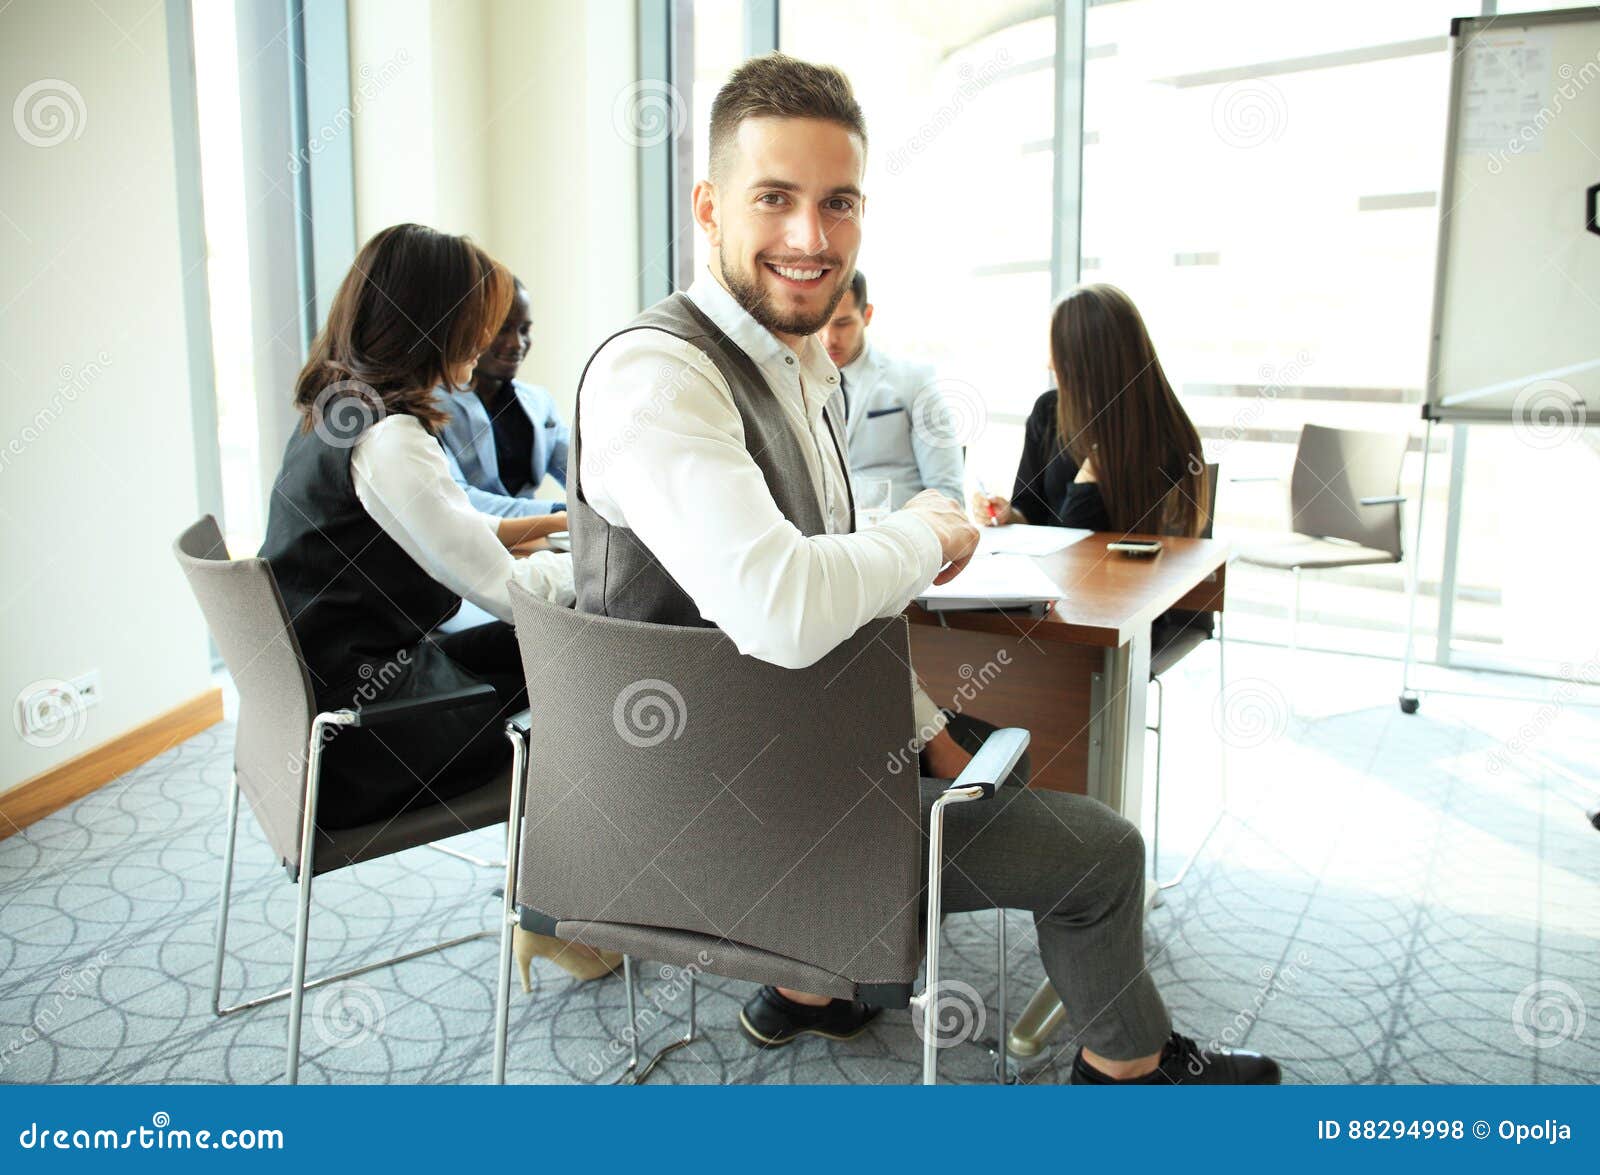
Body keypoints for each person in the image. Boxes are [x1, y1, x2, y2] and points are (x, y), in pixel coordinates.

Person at [569, 54, 1277, 1083]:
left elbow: (826, 612)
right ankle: (1128, 1070)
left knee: (994, 753)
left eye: (839, 202)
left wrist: (927, 732)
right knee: (1104, 850)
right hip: (737, 831)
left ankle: (825, 985)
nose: (812, 238)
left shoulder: (797, 370)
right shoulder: (657, 375)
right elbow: (781, 608)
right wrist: (929, 533)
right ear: (709, 207)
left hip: (767, 776)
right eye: (775, 198)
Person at [257, 223, 615, 982]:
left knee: (553, 656)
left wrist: (556, 526)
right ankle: (557, 907)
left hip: (330, 710)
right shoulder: (389, 437)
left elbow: (443, 527)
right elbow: (510, 592)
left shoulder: (337, 410)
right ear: (437, 320)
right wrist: (609, 561)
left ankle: (553, 900)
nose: (488, 337)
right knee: (587, 657)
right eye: (477, 319)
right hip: (369, 741)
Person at [971, 283, 1215, 651]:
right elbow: (1032, 509)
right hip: (1056, 610)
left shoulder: (1165, 439)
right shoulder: (1048, 412)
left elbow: (1083, 556)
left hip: (1132, 618)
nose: (1049, 363)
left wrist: (1088, 486)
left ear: (1086, 360)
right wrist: (1010, 514)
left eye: (1057, 352)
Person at [434, 277, 572, 531]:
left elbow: (585, 476)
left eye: (524, 329)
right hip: (471, 541)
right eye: (502, 329)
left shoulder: (540, 402)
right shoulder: (432, 405)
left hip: (534, 542)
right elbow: (457, 498)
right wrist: (556, 513)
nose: (516, 344)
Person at [818, 269, 964, 509]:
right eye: (821, 325)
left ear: (867, 315)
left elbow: (947, 492)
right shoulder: (795, 386)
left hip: (901, 532)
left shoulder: (914, 381)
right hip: (823, 541)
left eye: (843, 324)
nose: (829, 339)